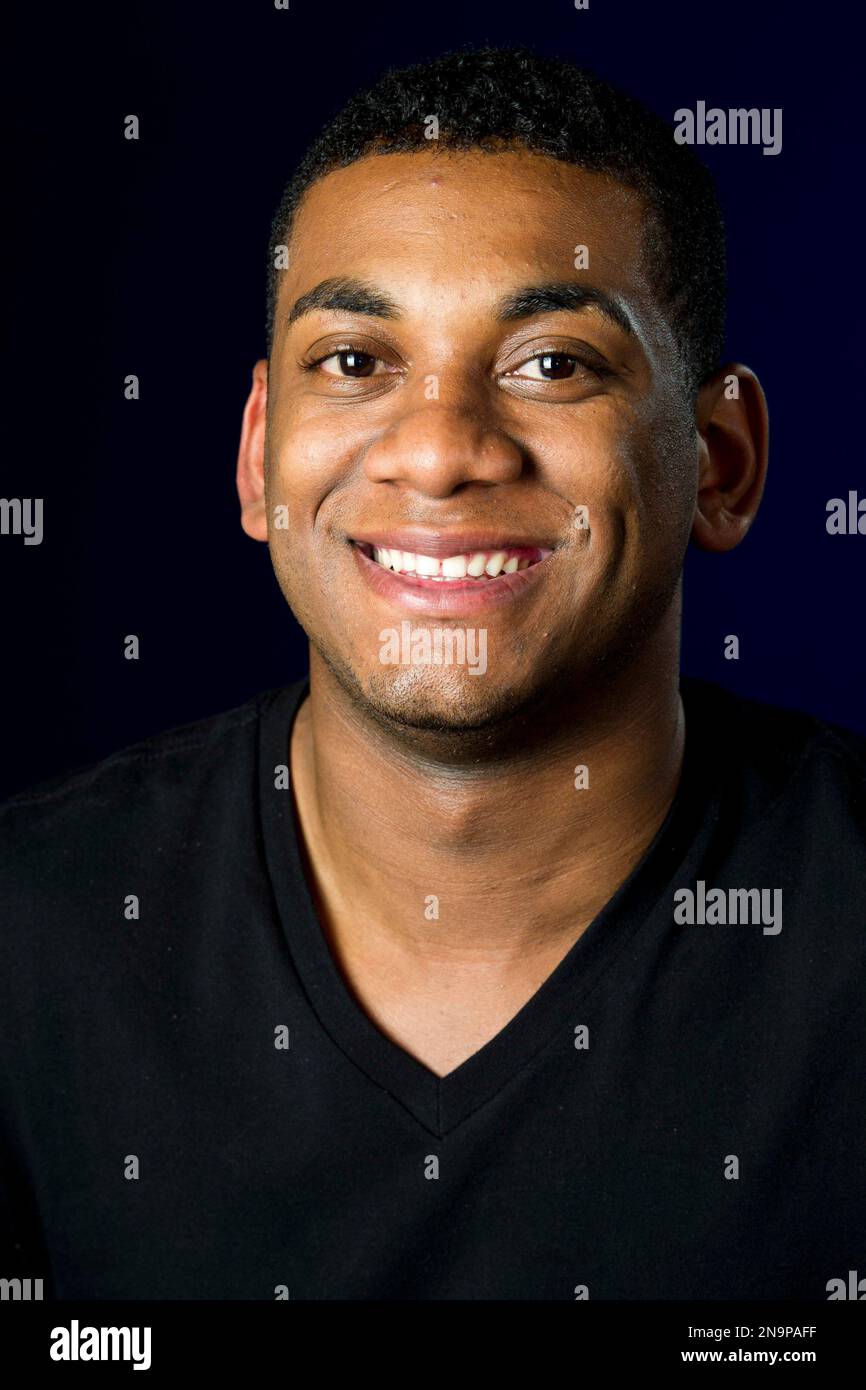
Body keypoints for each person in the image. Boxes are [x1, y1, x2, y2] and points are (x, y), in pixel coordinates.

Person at [1, 47, 863, 1302]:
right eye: (354, 361)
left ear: (718, 460)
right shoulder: (30, 938)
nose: (440, 448)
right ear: (258, 457)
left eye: (552, 363)